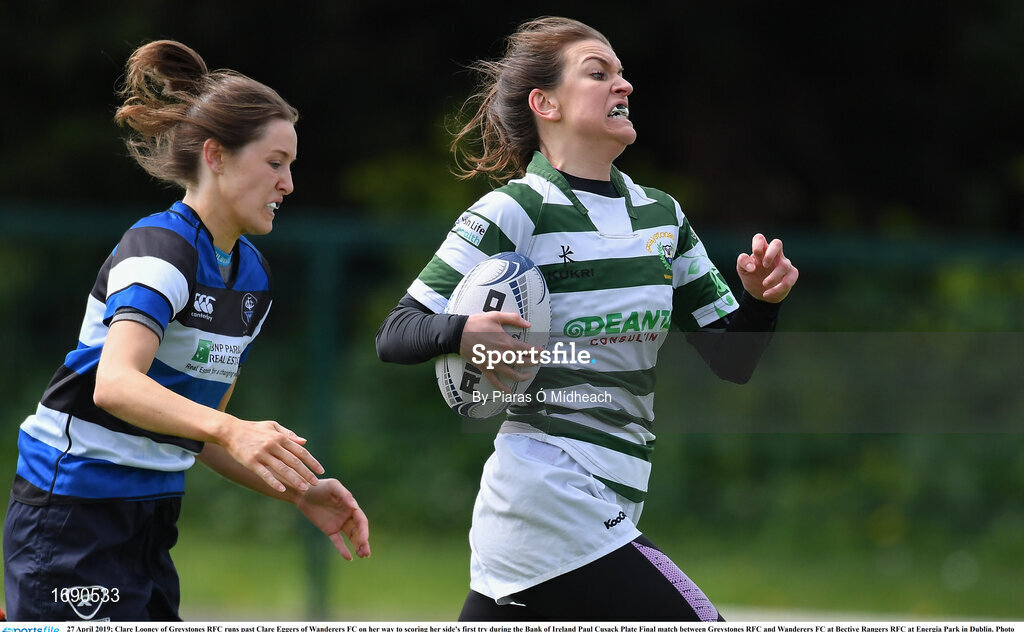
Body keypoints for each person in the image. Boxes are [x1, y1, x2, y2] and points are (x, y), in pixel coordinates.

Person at [376, 17, 798, 621]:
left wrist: (762, 301)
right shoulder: (515, 210)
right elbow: (397, 333)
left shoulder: (662, 216)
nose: (622, 86)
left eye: (622, 74)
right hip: (550, 496)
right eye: (598, 73)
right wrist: (465, 331)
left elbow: (734, 361)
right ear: (544, 103)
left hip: (603, 499)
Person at [2, 40, 370, 622]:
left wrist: (297, 491)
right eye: (275, 163)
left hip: (150, 520)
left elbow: (194, 435)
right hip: (73, 510)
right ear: (216, 156)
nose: (289, 184)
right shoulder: (161, 250)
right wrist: (232, 429)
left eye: (291, 166)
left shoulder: (251, 277)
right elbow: (116, 385)